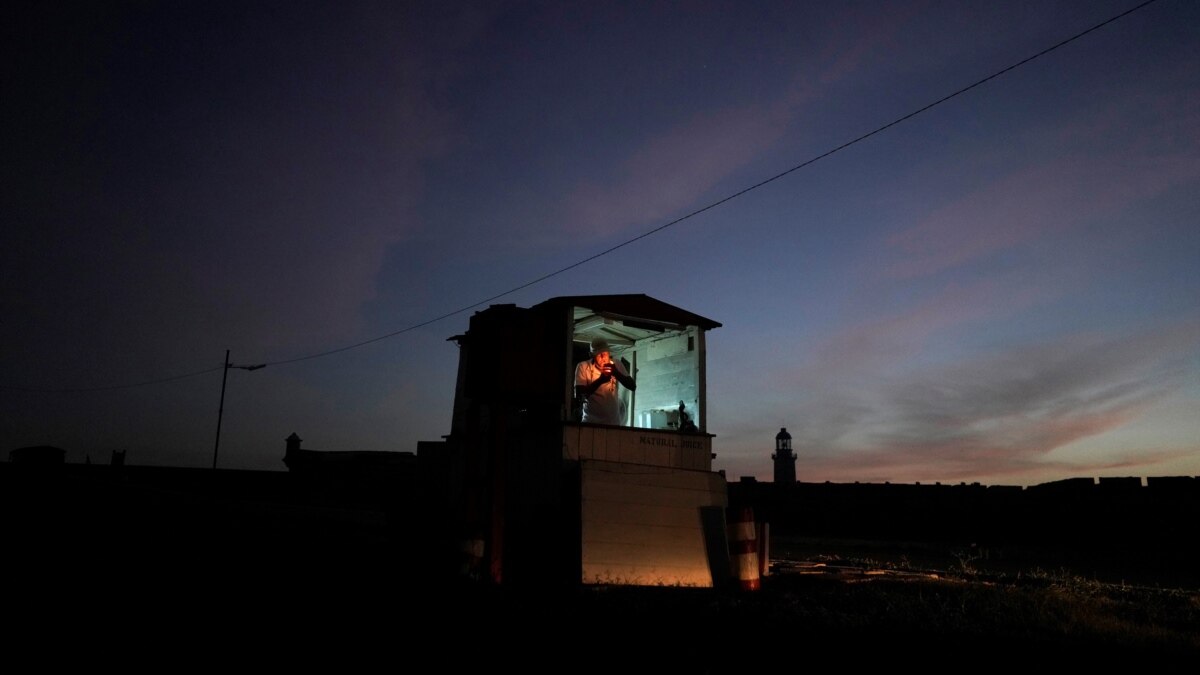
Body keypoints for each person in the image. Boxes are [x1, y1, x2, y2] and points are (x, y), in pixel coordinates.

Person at [574, 337, 635, 425]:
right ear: (591, 355)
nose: (603, 358)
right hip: (591, 423)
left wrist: (616, 373)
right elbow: (580, 395)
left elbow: (632, 386)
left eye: (605, 354)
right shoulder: (583, 367)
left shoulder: (616, 364)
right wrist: (600, 380)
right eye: (599, 355)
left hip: (613, 423)